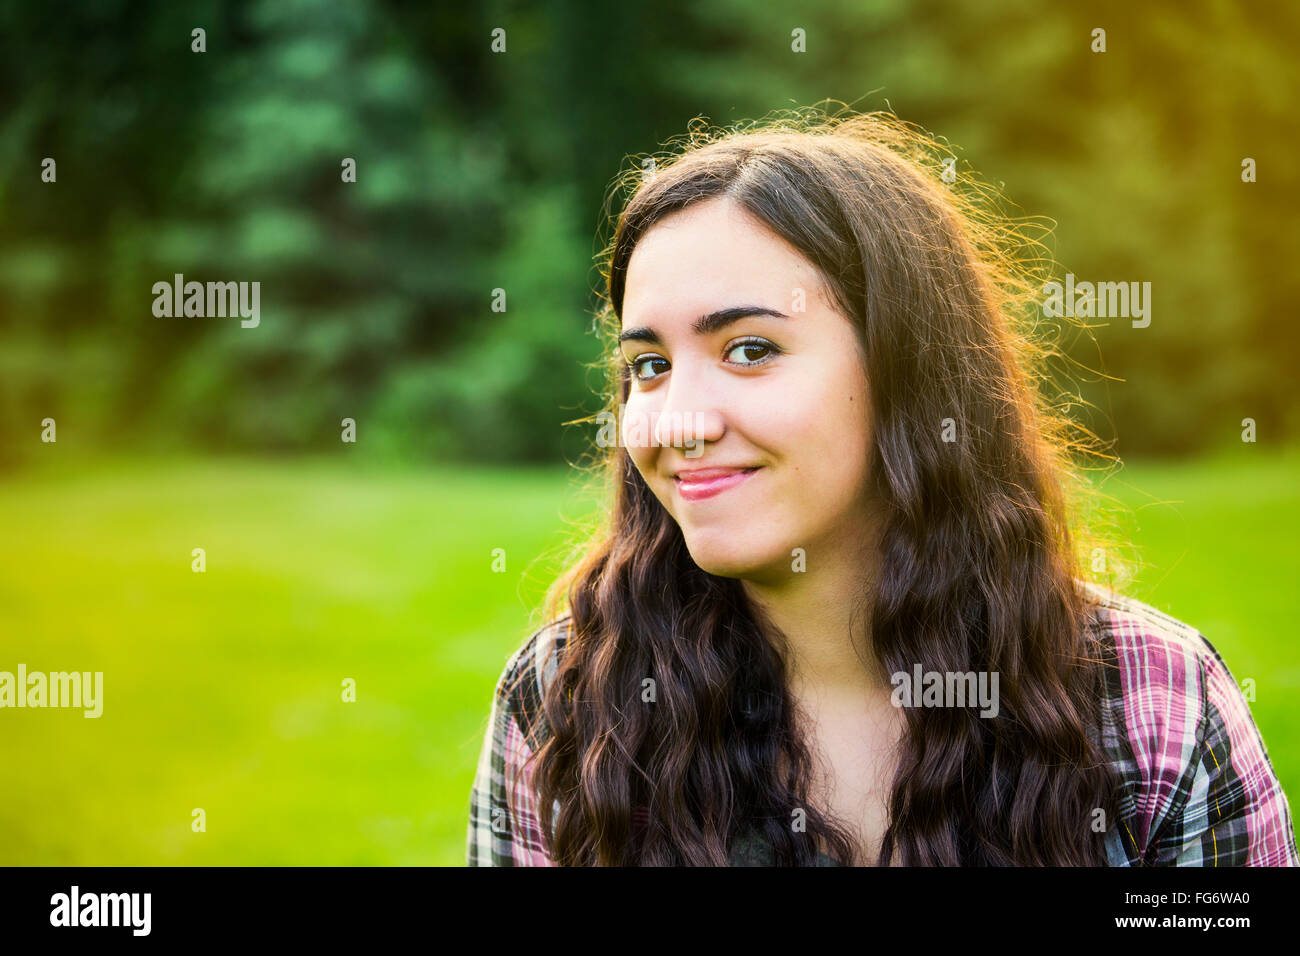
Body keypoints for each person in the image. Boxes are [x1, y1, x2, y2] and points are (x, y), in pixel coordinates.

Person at [466, 109, 1298, 866]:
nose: (674, 421)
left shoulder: (1152, 703)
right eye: (648, 366)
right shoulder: (567, 704)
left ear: (907, 372)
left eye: (750, 350)